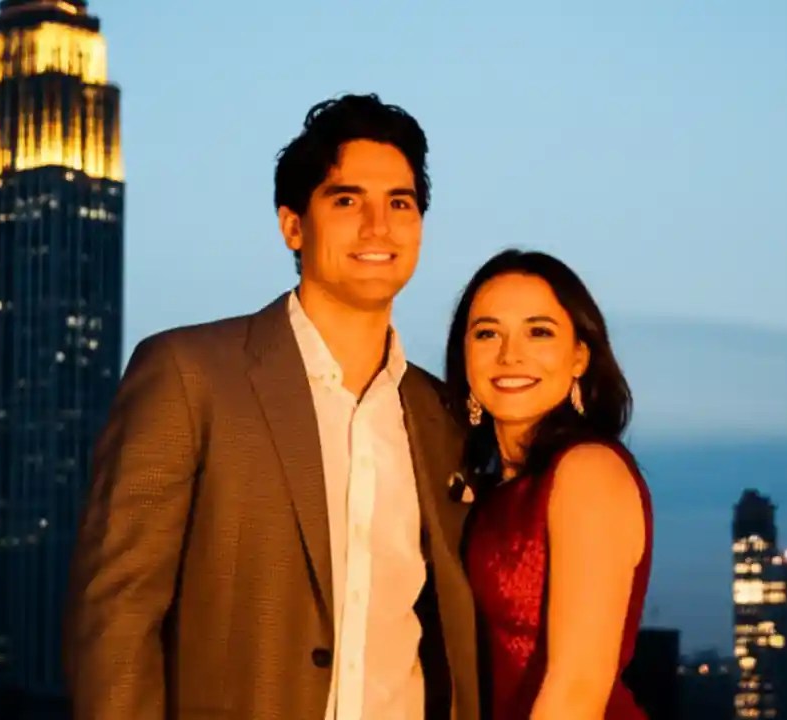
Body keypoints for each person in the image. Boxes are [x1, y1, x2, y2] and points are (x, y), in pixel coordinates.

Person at [63, 93, 479, 720]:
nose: (378, 226)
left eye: (400, 203)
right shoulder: (189, 374)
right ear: (292, 224)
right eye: (347, 201)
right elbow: (116, 616)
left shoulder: (441, 416)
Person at [444, 249, 653, 719]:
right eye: (487, 333)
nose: (509, 354)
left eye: (538, 332)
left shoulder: (588, 471)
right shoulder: (490, 491)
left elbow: (576, 688)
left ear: (580, 355)